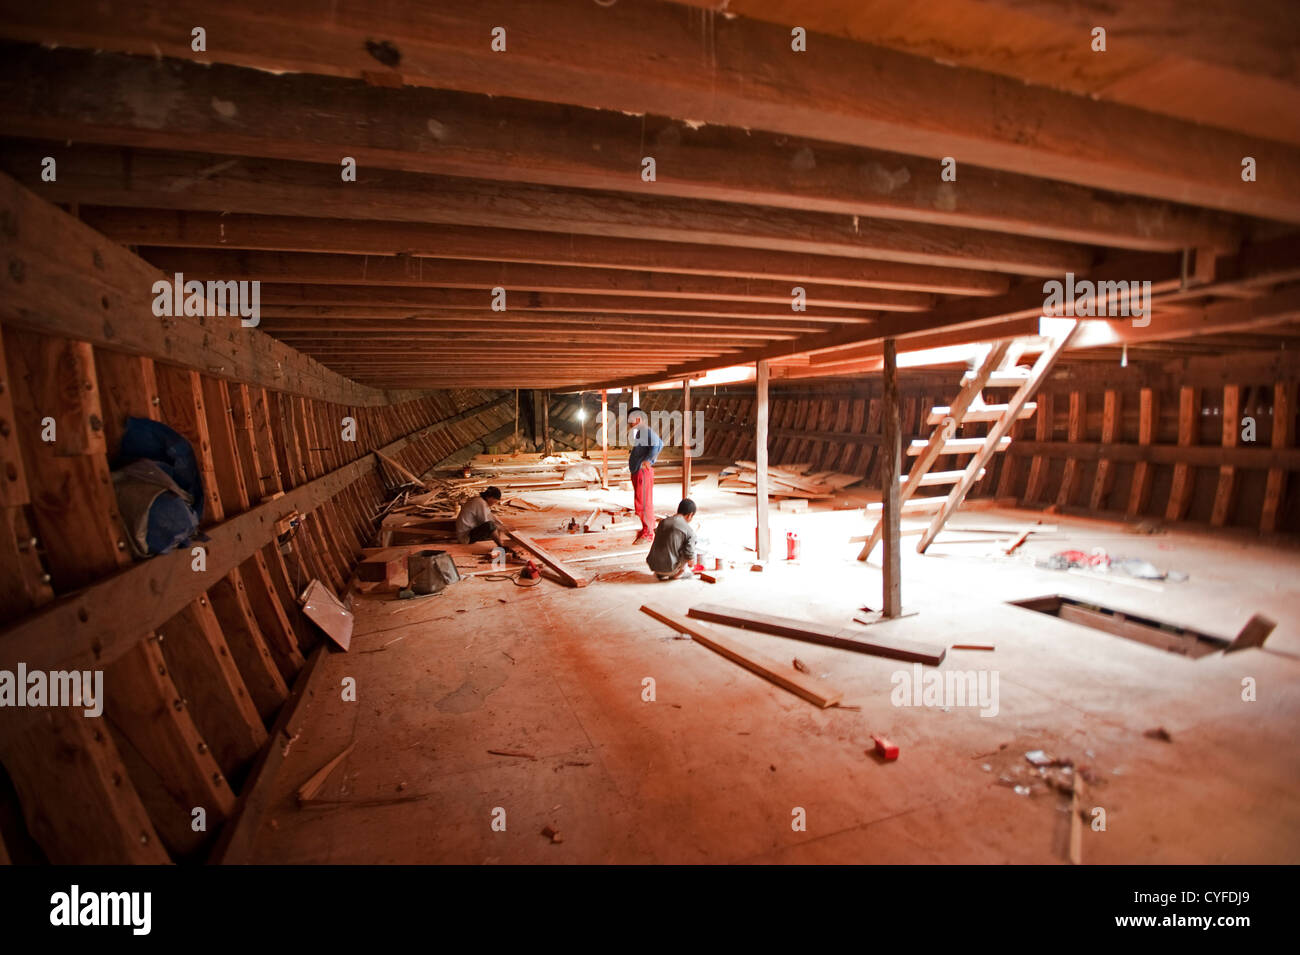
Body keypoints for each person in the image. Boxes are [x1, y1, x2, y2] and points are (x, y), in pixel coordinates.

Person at [627, 406, 662, 543]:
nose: (629, 423)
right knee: (640, 501)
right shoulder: (640, 432)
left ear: (637, 418)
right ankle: (646, 528)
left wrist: (648, 460)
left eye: (630, 419)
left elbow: (658, 444)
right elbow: (661, 443)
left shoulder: (645, 431)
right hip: (638, 471)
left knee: (644, 503)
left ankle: (648, 533)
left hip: (642, 472)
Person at [647, 498, 700, 580]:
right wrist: (691, 564)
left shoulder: (663, 522)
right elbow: (689, 556)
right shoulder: (688, 530)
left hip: (654, 566)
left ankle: (661, 572)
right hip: (670, 568)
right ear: (690, 515)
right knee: (689, 547)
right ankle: (677, 574)